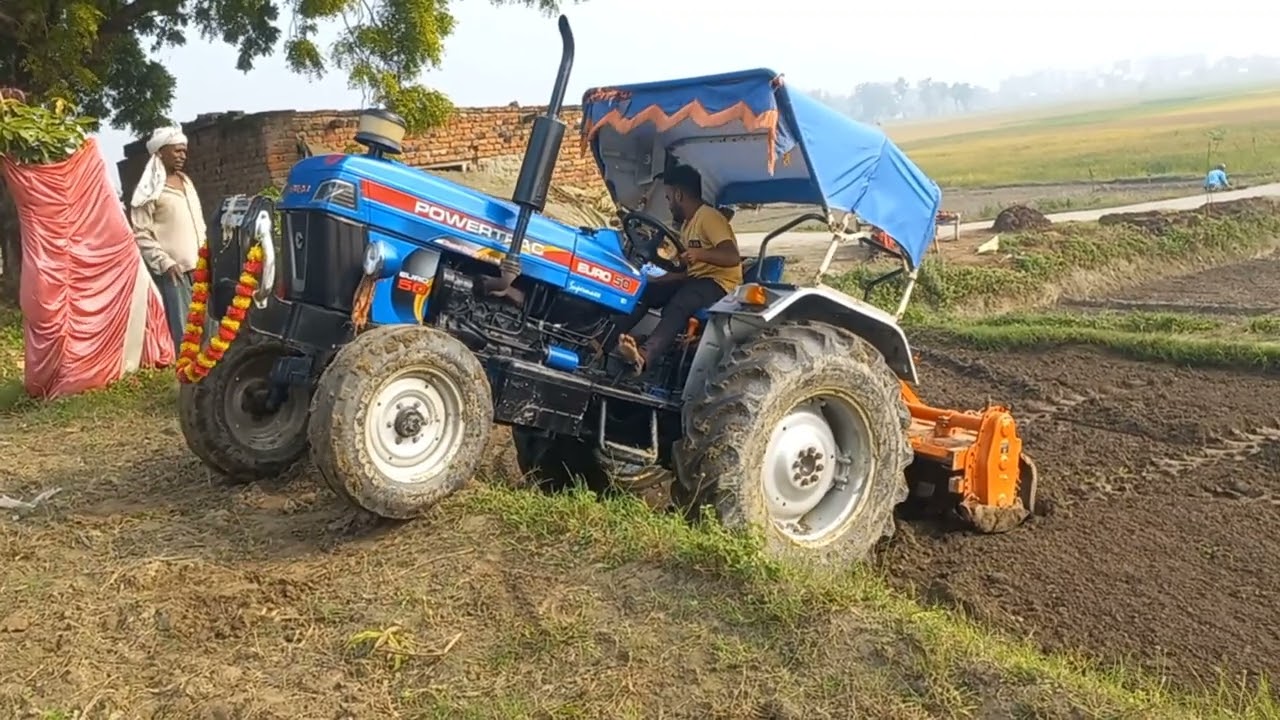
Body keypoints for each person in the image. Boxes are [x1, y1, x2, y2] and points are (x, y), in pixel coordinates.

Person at [613, 164, 742, 373]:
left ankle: (644, 357)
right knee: (646, 292)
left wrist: (700, 254)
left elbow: (732, 256)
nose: (669, 204)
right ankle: (602, 342)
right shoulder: (687, 225)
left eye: (668, 198)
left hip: (719, 284)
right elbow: (683, 270)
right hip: (695, 280)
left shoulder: (708, 217)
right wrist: (654, 280)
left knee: (681, 302)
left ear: (679, 195)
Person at [130, 126, 205, 355]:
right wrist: (164, 261)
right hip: (175, 271)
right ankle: (187, 381)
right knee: (184, 333)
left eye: (184, 151)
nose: (182, 156)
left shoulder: (187, 182)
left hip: (200, 267)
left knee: (206, 329)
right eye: (177, 151)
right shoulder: (150, 190)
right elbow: (141, 233)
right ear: (161, 153)